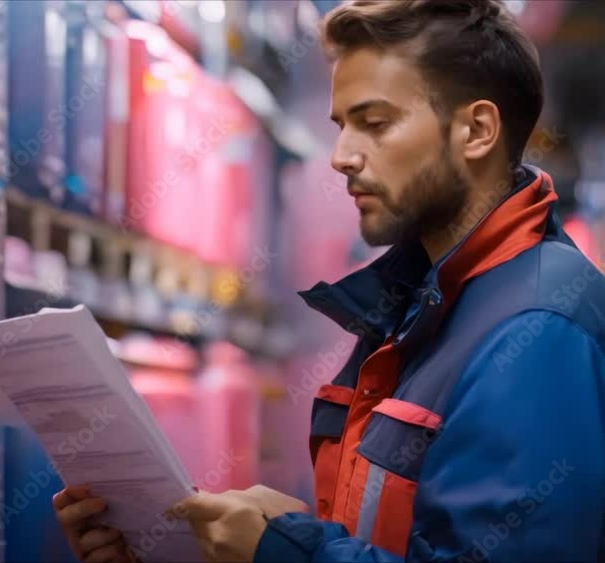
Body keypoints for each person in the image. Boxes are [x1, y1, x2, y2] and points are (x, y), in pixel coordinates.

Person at [53, 0, 605, 561]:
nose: (341, 157)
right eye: (342, 126)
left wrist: (284, 554)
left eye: (375, 123)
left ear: (477, 130)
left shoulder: (538, 331)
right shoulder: (419, 308)